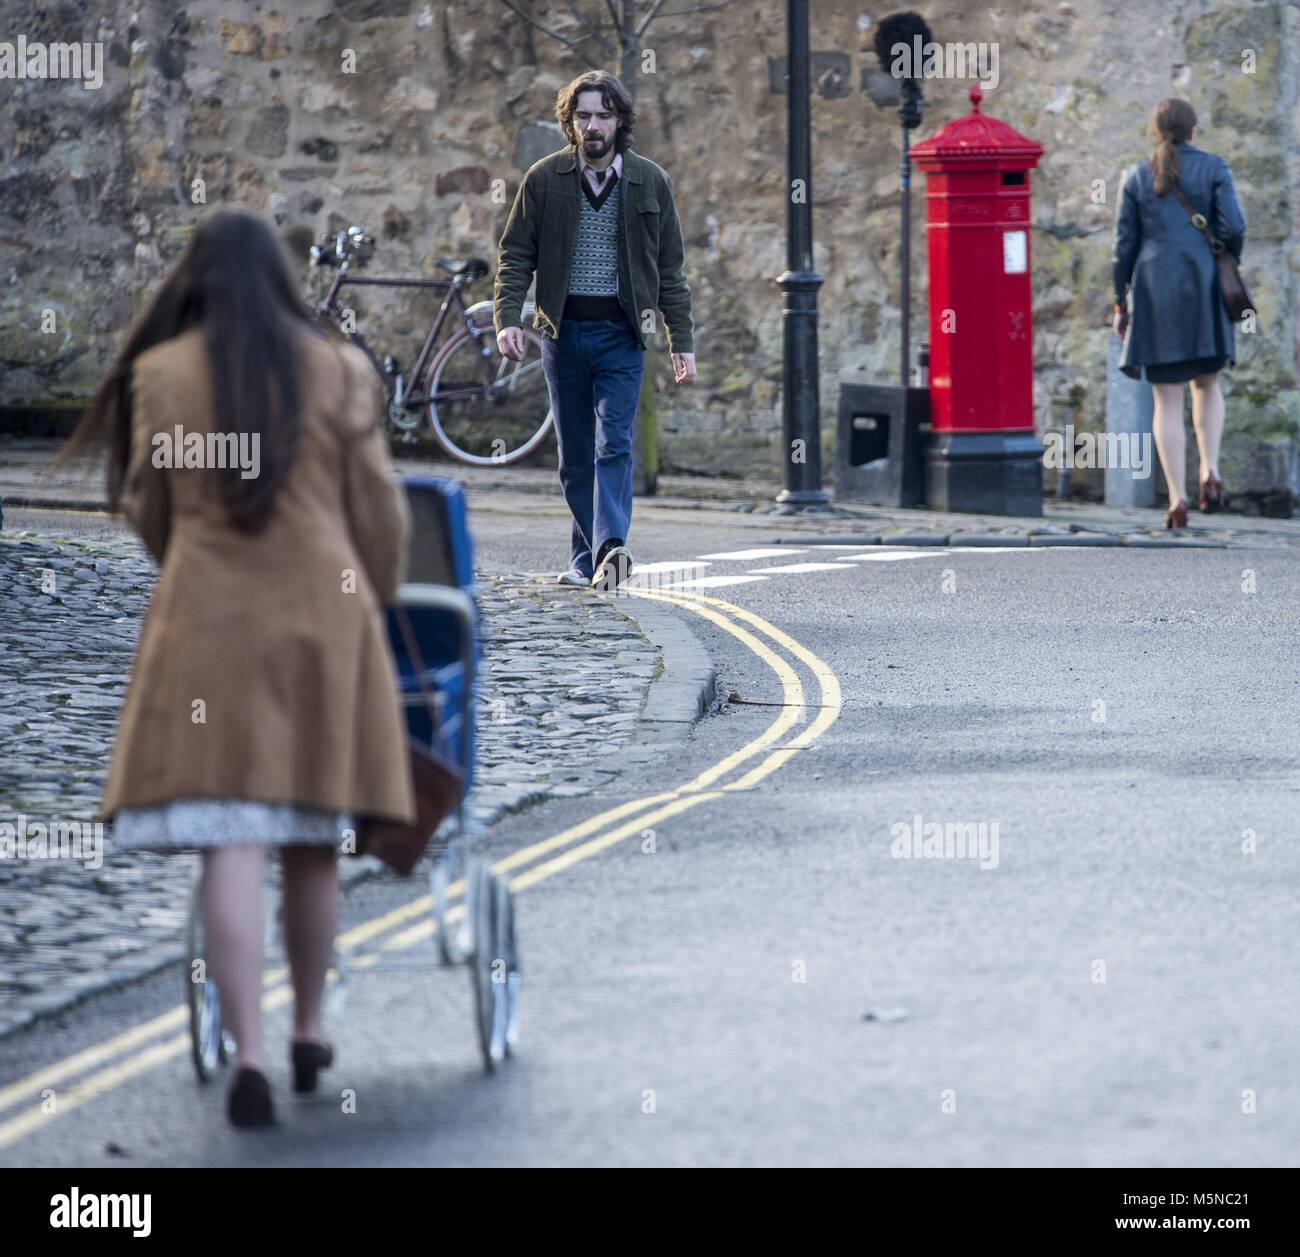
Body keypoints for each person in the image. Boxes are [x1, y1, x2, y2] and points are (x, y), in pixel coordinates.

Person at [58, 205, 414, 1127]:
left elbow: (148, 508)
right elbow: (378, 514)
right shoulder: (338, 368)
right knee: (311, 838)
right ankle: (305, 1032)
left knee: (232, 835)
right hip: (324, 625)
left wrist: (198, 567)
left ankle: (246, 1053)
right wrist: (375, 596)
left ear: (197, 282)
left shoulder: (161, 374)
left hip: (209, 628)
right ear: (283, 283)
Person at [494, 70, 696, 591]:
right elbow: (515, 255)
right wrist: (507, 318)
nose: (593, 125)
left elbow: (671, 271)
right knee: (575, 456)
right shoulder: (544, 179)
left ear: (620, 120)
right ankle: (586, 561)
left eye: (604, 115)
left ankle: (609, 549)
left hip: (624, 337)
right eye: (583, 115)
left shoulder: (651, 181)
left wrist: (682, 343)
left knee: (615, 445)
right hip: (562, 336)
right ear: (570, 121)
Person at [1111, 98, 1247, 529]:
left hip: (1153, 291)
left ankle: (1177, 496)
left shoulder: (1135, 175)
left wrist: (1120, 302)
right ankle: (1210, 467)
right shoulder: (1215, 167)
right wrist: (1224, 256)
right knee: (1206, 385)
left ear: (1155, 132)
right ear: (1193, 132)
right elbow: (1236, 226)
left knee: (1165, 398)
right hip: (1204, 284)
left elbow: (1123, 249)